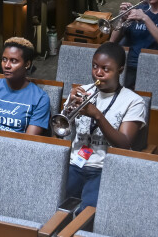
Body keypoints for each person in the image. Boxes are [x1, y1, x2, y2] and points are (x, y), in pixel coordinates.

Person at [60, 42, 146, 213]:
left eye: (106, 69)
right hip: (74, 163)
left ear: (120, 70)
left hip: (103, 169)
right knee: (55, 207)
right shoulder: (82, 91)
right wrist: (69, 109)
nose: (98, 73)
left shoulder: (133, 101)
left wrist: (97, 115)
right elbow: (61, 133)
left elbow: (124, 143)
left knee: (86, 214)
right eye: (94, 66)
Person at [0, 37, 51, 181]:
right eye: (4, 59)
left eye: (14, 61)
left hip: (16, 156)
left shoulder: (40, 98)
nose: (7, 65)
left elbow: (28, 141)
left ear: (27, 64)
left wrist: (3, 162)